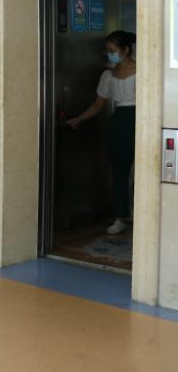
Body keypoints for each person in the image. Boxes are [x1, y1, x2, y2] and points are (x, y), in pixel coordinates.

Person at [66, 30, 136, 235]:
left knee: (144, 169)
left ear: (125, 50)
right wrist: (80, 118)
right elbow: (98, 104)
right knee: (119, 170)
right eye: (107, 51)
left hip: (142, 119)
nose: (109, 55)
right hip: (120, 121)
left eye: (112, 51)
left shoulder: (144, 70)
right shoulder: (108, 75)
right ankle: (120, 216)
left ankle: (141, 213)